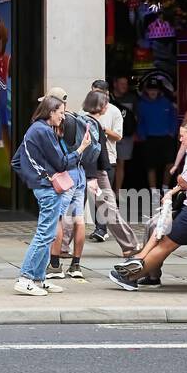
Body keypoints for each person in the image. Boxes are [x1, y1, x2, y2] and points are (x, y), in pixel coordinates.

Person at [110, 120, 187, 291]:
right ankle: (141, 261)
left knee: (166, 243)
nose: (183, 141)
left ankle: (131, 276)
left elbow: (184, 181)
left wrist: (178, 185)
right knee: (158, 228)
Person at [12, 95, 87, 297]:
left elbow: (16, 162)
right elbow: (63, 163)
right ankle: (25, 278)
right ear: (51, 111)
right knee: (45, 234)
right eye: (61, 113)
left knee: (48, 234)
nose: (63, 118)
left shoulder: (34, 129)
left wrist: (34, 179)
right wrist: (80, 149)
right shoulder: (44, 131)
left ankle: (38, 278)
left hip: (43, 187)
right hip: (48, 189)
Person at [48, 93, 105, 281]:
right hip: (80, 173)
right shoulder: (79, 120)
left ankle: (55, 264)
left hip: (66, 174)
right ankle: (76, 265)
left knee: (58, 219)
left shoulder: (62, 122)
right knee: (78, 219)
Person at [85, 88, 137, 256]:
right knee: (109, 209)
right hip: (96, 173)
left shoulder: (89, 122)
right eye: (105, 102)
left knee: (76, 211)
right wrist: (94, 175)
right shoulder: (93, 124)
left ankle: (61, 249)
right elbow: (93, 152)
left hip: (94, 172)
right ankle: (130, 245)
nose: (107, 105)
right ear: (99, 105)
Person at [134, 79, 178, 191]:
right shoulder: (141, 104)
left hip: (166, 138)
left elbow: (173, 118)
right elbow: (139, 121)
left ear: (159, 90)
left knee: (169, 163)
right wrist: (142, 135)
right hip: (149, 138)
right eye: (150, 89)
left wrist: (172, 132)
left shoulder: (166, 102)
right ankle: (154, 192)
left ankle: (165, 188)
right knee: (151, 166)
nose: (153, 91)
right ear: (146, 90)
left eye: (155, 89)